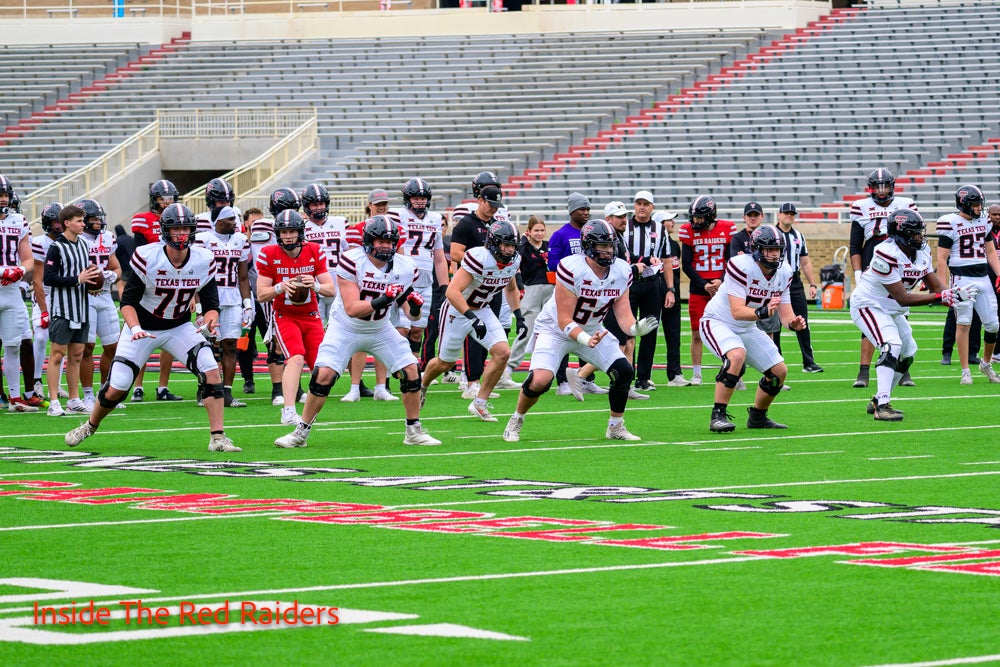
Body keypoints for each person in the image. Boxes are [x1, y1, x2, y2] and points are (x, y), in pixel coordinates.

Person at [65, 204, 240, 452]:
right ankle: (90, 425)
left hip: (178, 326)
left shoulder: (203, 259)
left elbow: (212, 304)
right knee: (118, 386)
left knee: (211, 370)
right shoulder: (148, 256)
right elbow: (127, 303)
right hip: (143, 326)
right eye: (176, 228)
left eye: (185, 228)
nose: (181, 234)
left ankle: (218, 437)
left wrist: (210, 319)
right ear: (165, 231)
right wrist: (134, 328)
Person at [274, 216, 440, 448]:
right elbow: (352, 308)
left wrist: (415, 306)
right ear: (369, 241)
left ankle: (413, 430)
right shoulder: (352, 261)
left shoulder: (405, 266)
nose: (386, 246)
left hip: (380, 328)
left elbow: (411, 316)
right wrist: (385, 298)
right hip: (346, 327)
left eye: (390, 242)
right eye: (381, 240)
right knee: (323, 375)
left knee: (411, 371)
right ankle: (300, 431)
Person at [503, 219, 657, 443]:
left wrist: (635, 328)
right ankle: (517, 419)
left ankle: (616, 426)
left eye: (610, 245)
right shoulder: (571, 267)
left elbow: (623, 316)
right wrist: (585, 339)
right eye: (601, 245)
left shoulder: (621, 271)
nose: (607, 251)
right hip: (555, 329)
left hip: (592, 328)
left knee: (623, 371)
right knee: (540, 381)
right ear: (587, 245)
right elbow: (565, 319)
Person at [852, 210, 970, 420]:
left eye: (919, 233)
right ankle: (882, 407)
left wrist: (953, 297)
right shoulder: (884, 252)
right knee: (892, 345)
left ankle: (878, 398)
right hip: (869, 304)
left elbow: (935, 285)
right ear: (900, 233)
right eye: (914, 233)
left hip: (892, 308)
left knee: (908, 351)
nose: (919, 237)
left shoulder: (922, 250)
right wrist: (941, 296)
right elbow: (903, 298)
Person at [700, 225, 806, 433]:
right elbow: (737, 311)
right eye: (770, 249)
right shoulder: (741, 266)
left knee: (779, 372)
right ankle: (718, 414)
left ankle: (758, 416)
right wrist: (762, 313)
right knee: (736, 356)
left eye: (778, 249)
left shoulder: (784, 271)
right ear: (757, 249)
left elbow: (785, 312)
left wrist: (793, 323)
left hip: (747, 327)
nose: (775, 254)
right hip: (718, 321)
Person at [421, 219, 525, 422]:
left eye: (513, 245)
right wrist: (471, 317)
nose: (510, 249)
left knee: (503, 353)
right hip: (457, 310)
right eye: (506, 244)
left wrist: (519, 316)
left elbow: (511, 288)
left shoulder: (513, 261)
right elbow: (452, 291)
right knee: (445, 362)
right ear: (494, 243)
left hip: (482, 309)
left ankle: (479, 403)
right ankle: (422, 386)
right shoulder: (479, 258)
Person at [256, 209, 336, 425]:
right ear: (277, 234)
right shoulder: (268, 253)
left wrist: (316, 285)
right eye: (284, 232)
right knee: (296, 357)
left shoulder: (314, 250)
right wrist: (281, 287)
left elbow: (331, 289)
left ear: (300, 232)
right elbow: (262, 294)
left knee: (323, 367)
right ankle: (288, 410)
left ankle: (308, 414)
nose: (288, 236)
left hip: (311, 315)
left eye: (292, 231)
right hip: (285, 315)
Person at [849, 168, 919, 388]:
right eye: (877, 187)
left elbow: (916, 238)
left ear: (892, 186)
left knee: (900, 314)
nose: (881, 191)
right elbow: (855, 246)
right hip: (873, 258)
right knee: (871, 318)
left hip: (899, 259)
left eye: (885, 186)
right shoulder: (860, 207)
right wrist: (859, 274)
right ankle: (864, 371)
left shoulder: (906, 204)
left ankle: (902, 368)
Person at [935, 185, 1000, 384]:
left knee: (993, 325)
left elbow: (990, 252)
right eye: (975, 205)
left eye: (980, 204)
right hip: (961, 279)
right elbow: (941, 258)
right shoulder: (949, 222)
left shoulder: (984, 222)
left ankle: (986, 363)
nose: (979, 209)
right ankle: (965, 370)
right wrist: (942, 288)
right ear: (963, 204)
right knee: (964, 323)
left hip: (983, 277)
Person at [129, 180, 184, 402]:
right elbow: (137, 252)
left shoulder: (181, 219)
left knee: (171, 333)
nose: (167, 201)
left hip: (174, 282)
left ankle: (162, 387)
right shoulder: (143, 220)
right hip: (149, 280)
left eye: (170, 197)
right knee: (143, 334)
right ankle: (138, 386)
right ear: (154, 199)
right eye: (163, 198)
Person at [449, 182, 506, 400]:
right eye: (490, 204)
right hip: (471, 287)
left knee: (489, 334)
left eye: (496, 205)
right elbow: (455, 253)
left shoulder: (495, 225)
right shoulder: (466, 224)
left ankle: (480, 380)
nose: (493, 209)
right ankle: (470, 380)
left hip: (492, 286)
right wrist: (481, 267)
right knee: (474, 333)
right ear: (480, 201)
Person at [194, 205, 253, 407]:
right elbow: (196, 273)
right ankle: (206, 389)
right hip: (211, 297)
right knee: (208, 346)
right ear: (218, 221)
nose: (235, 223)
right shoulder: (203, 239)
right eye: (230, 219)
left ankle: (226, 393)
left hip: (233, 296)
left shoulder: (241, 240)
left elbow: (243, 277)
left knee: (230, 345)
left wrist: (247, 303)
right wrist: (199, 305)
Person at [392, 178, 450, 373]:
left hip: (426, 283)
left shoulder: (434, 218)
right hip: (404, 282)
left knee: (417, 331)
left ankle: (412, 370)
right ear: (407, 198)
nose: (420, 202)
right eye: (416, 198)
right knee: (401, 329)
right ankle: (396, 369)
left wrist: (444, 287)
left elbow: (439, 257)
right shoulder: (398, 215)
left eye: (423, 198)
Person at [679, 195, 736, 385]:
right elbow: (686, 264)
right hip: (698, 288)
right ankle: (696, 374)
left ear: (711, 216)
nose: (696, 221)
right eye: (694, 217)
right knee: (697, 332)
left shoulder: (727, 228)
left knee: (728, 331)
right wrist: (703, 284)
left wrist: (720, 281)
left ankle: (732, 372)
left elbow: (731, 260)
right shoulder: (687, 231)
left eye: (700, 217)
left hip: (722, 287)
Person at [76, 199, 124, 413]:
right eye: (93, 219)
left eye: (99, 219)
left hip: (104, 296)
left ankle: (104, 391)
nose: (98, 223)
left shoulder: (108, 237)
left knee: (112, 347)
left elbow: (116, 266)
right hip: (83, 296)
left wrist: (112, 275)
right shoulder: (75, 240)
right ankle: (87, 395)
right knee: (86, 347)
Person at [625, 190, 674, 391]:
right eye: (639, 203)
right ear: (634, 206)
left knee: (650, 328)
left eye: (646, 204)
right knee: (627, 329)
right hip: (629, 282)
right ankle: (626, 374)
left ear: (652, 207)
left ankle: (643, 377)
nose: (642, 207)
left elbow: (667, 259)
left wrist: (670, 289)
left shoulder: (660, 229)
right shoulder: (625, 227)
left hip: (652, 283)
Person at [546, 192, 591, 395]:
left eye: (588, 209)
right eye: (582, 209)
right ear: (572, 211)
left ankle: (586, 379)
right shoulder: (560, 235)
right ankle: (562, 381)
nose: (586, 213)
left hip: (589, 291)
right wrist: (575, 265)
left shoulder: (592, 232)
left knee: (588, 331)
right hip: (567, 291)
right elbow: (552, 263)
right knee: (563, 333)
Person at [0, 174, 37, 412]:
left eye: (4, 194)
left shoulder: (18, 221)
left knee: (13, 345)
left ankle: (15, 398)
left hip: (11, 290)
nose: (3, 199)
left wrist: (21, 270)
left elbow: (29, 258)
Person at [773, 203, 823, 373]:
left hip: (794, 280)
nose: (789, 216)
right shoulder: (772, 234)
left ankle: (809, 362)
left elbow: (805, 261)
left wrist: (813, 283)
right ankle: (775, 361)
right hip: (775, 280)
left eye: (792, 214)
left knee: (802, 320)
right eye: (786, 213)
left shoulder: (798, 236)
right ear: (779, 215)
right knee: (775, 323)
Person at [241, 206, 285, 399]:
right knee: (244, 341)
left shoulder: (273, 244)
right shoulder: (243, 243)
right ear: (246, 225)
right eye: (253, 223)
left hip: (268, 297)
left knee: (274, 340)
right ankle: (248, 379)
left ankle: (281, 386)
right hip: (250, 297)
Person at [506, 215, 552, 382]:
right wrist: (525, 240)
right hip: (530, 289)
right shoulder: (524, 248)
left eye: (542, 230)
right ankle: (508, 369)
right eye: (536, 230)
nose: (539, 233)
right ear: (529, 231)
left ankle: (539, 370)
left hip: (551, 290)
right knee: (527, 330)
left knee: (548, 332)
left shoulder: (549, 246)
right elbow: (517, 258)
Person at [31, 203, 66, 406]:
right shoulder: (40, 242)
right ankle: (36, 380)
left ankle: (57, 383)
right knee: (42, 336)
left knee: (60, 340)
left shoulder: (72, 241)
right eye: (54, 221)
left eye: (61, 221)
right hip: (46, 293)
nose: (58, 226)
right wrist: (44, 311)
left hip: (64, 294)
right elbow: (37, 279)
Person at [302, 183, 349, 326]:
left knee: (339, 328)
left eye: (321, 203)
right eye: (314, 204)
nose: (319, 208)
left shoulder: (341, 222)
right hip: (313, 282)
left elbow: (349, 254)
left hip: (339, 281)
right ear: (306, 206)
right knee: (315, 329)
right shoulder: (301, 227)